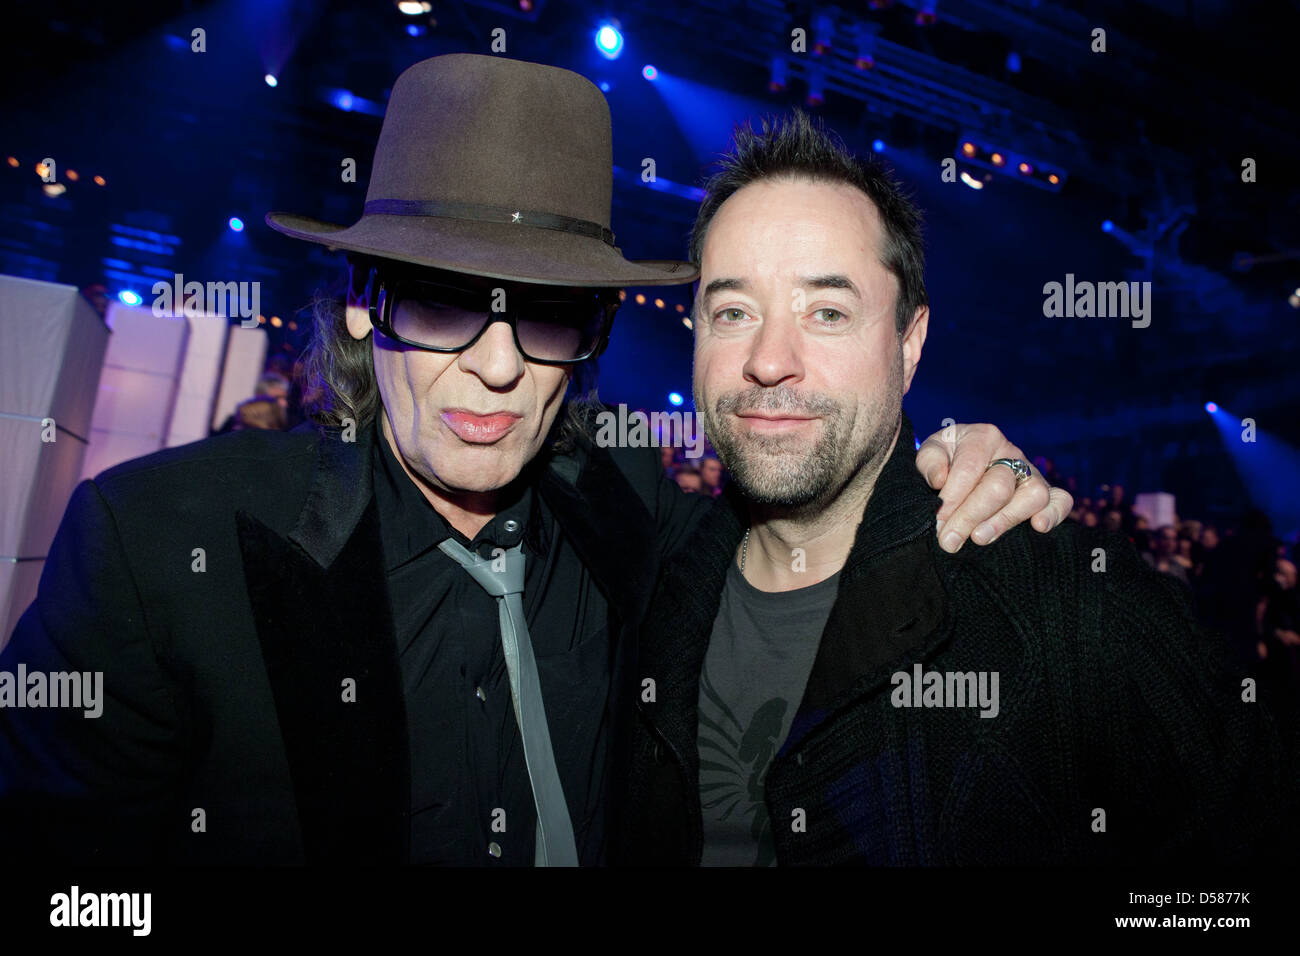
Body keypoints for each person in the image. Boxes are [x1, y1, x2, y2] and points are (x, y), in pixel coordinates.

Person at [0, 56, 1067, 866]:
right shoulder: (160, 551)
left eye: (548, 315)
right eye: (443, 301)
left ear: (593, 337)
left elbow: (814, 516)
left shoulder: (634, 519)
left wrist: (949, 463)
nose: (499, 365)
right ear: (366, 307)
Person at [618, 111, 1295, 866]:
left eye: (828, 312)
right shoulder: (646, 594)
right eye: (734, 312)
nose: (770, 360)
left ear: (908, 346)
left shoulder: (1067, 608)